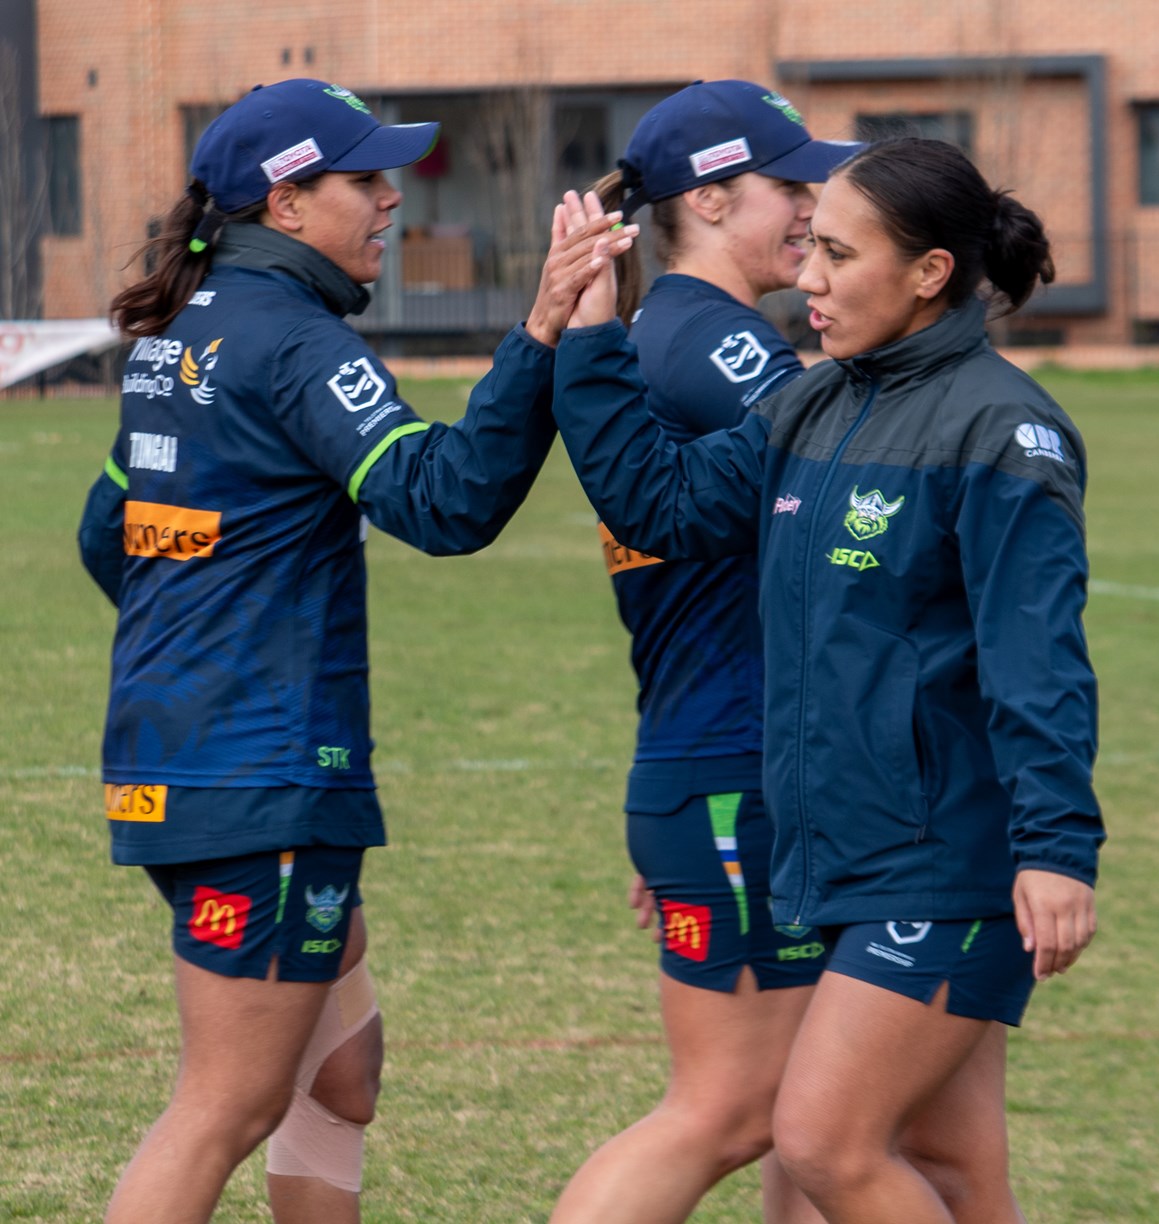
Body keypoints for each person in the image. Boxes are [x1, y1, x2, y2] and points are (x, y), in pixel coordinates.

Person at [77, 78, 635, 1224]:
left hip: (181, 764)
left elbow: (106, 532)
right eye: (365, 179)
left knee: (341, 1077)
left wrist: (196, 639)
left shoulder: (186, 332)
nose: (391, 199)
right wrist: (537, 336)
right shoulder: (297, 343)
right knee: (224, 1105)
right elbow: (445, 502)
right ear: (286, 205)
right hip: (264, 781)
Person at [548, 137, 1105, 1223]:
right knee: (949, 1166)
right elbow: (661, 506)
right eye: (808, 250)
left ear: (929, 273)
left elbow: (1037, 662)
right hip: (835, 849)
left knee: (821, 1139)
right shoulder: (813, 405)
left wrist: (1055, 850)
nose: (807, 278)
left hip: (943, 854)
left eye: (838, 255)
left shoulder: (1004, 430)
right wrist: (590, 333)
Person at [548, 80, 861, 1224]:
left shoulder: (687, 334)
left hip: (722, 769)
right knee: (729, 1108)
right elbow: (847, 490)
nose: (814, 205)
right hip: (733, 769)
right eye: (792, 184)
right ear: (713, 197)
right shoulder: (711, 340)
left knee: (817, 1115)